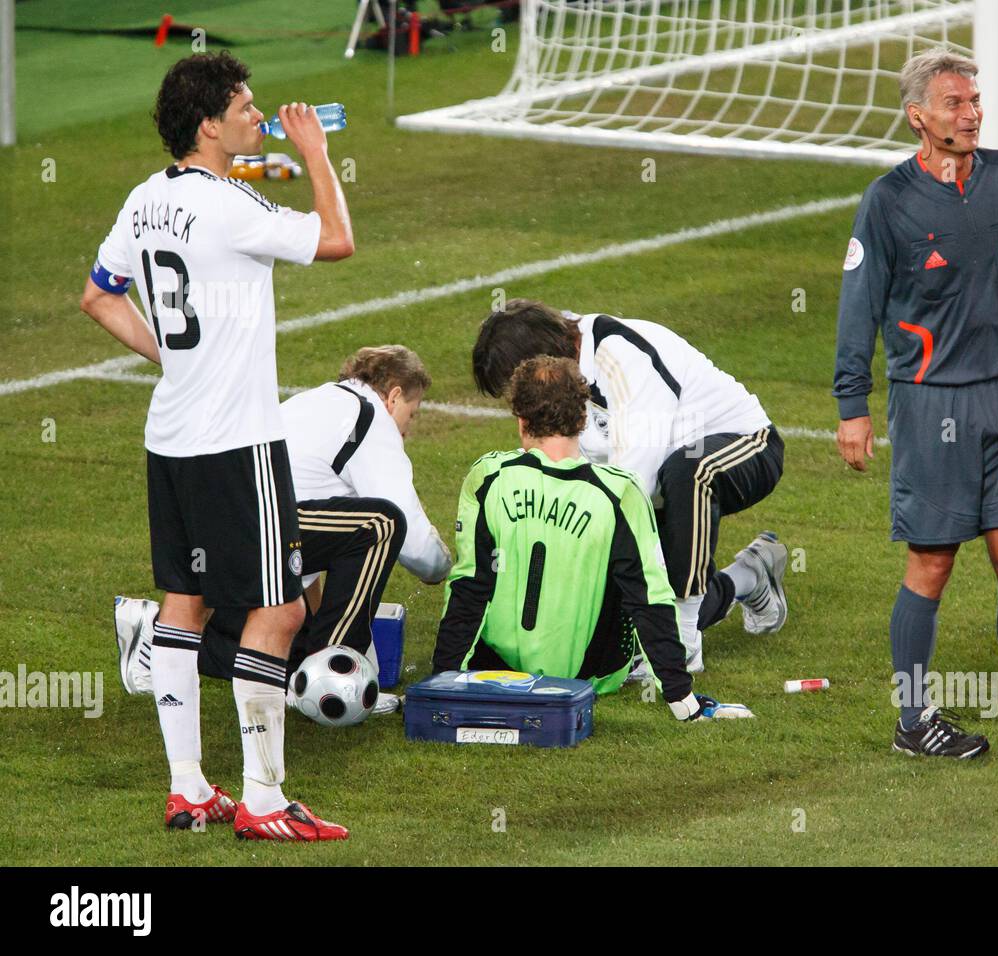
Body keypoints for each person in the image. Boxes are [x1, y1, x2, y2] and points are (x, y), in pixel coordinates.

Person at [80, 51, 354, 840]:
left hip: (171, 438)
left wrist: (169, 356)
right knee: (279, 610)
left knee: (185, 603)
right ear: (209, 123)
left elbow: (99, 294)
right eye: (246, 104)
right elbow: (337, 240)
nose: (258, 113)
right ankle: (265, 801)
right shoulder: (232, 207)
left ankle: (189, 789)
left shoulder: (144, 200)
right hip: (238, 442)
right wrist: (316, 156)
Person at [833, 48, 998, 760]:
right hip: (931, 404)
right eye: (955, 104)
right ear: (919, 118)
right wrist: (852, 404)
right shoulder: (888, 202)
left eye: (974, 101)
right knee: (932, 561)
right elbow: (858, 308)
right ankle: (912, 720)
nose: (971, 115)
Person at [114, 345, 453, 718]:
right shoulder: (370, 416)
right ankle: (334, 675)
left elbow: (314, 535)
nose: (408, 426)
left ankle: (159, 637)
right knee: (381, 525)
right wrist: (447, 567)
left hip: (223, 526)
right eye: (412, 413)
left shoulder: (314, 403)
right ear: (394, 396)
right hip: (258, 526)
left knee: (280, 652)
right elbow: (413, 538)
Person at [471, 299, 787, 675]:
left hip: (743, 446)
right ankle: (750, 576)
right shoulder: (560, 374)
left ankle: (683, 646)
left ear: (542, 360)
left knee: (688, 472)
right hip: (658, 483)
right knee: (638, 608)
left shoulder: (622, 356)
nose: (520, 400)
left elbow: (633, 480)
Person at [434, 356, 752, 721]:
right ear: (583, 420)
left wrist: (441, 682)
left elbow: (468, 588)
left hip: (493, 667)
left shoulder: (488, 475)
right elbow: (649, 600)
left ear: (521, 420)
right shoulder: (619, 491)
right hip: (586, 675)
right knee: (631, 571)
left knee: (487, 569)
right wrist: (684, 702)